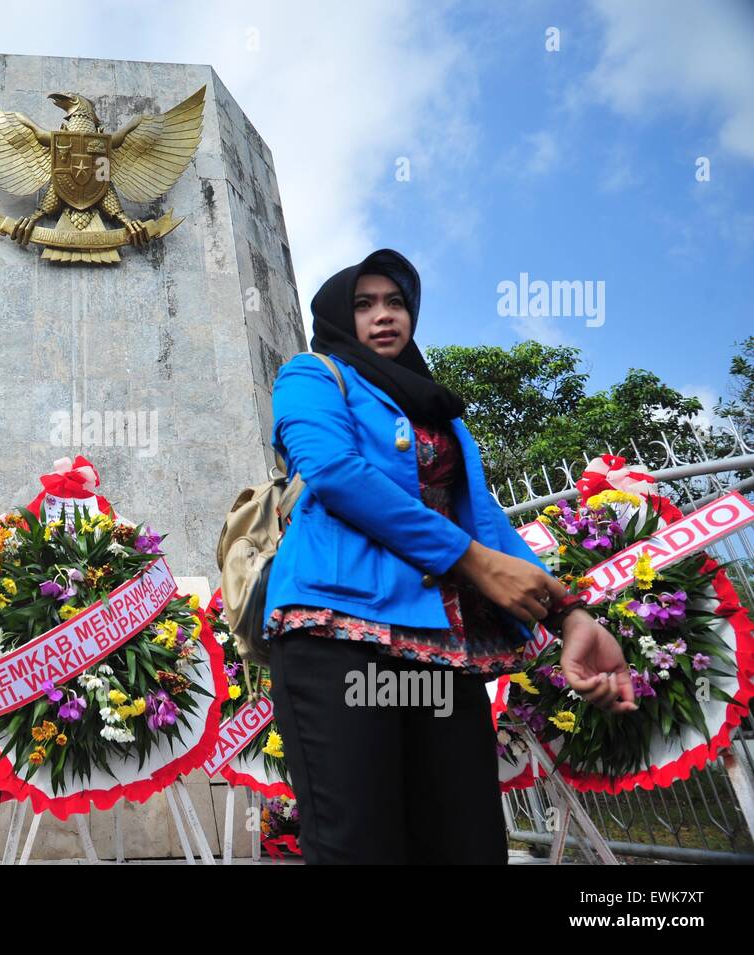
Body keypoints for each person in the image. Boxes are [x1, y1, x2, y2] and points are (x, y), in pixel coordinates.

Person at [264, 248, 637, 865]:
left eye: (396, 302)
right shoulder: (311, 375)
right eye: (364, 304)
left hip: (440, 648)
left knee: (467, 840)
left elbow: (483, 519)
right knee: (359, 843)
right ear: (338, 315)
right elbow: (334, 471)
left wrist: (569, 614)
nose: (384, 316)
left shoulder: (438, 410)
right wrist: (471, 561)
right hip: (337, 635)